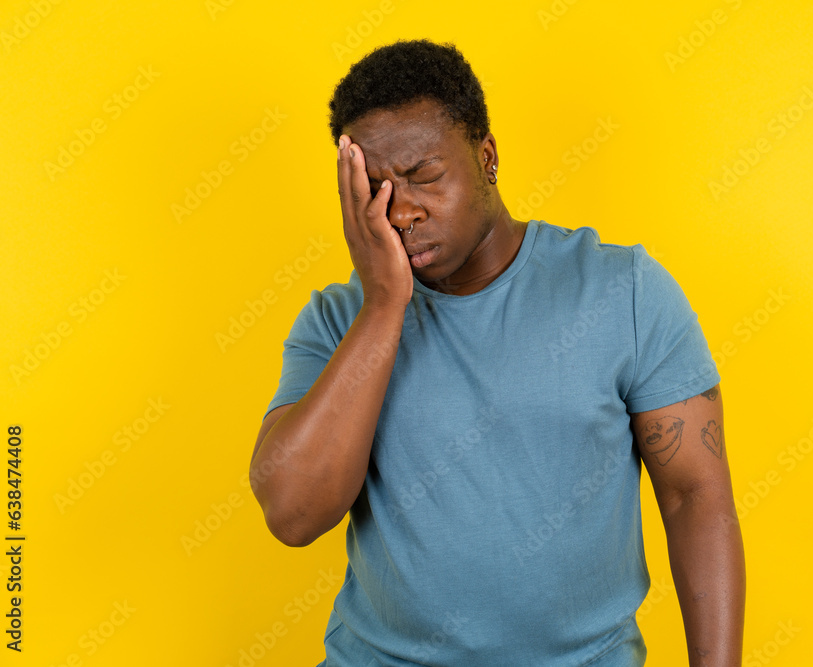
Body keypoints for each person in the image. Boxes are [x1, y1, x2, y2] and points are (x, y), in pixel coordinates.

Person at [249, 38, 745, 667]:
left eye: (425, 175)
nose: (401, 211)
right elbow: (293, 515)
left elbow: (694, 497)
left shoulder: (625, 291)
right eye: (374, 190)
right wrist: (382, 307)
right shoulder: (336, 320)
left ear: (487, 157)